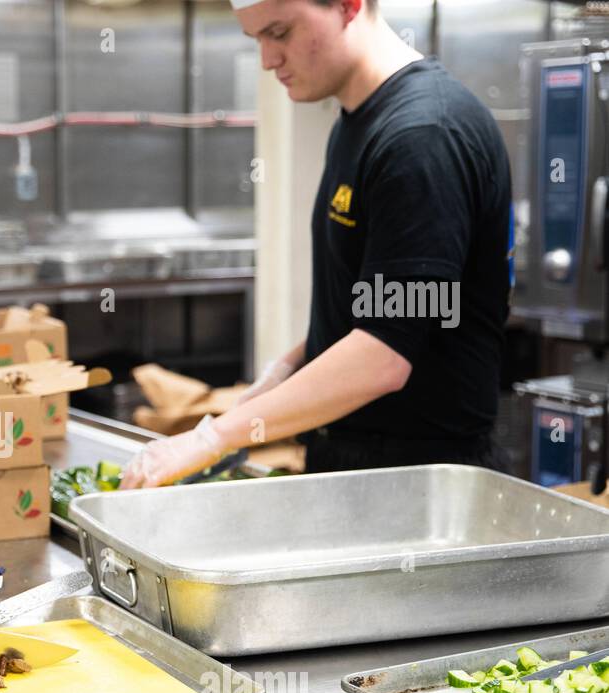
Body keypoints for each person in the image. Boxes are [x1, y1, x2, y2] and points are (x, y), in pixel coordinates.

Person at [122, 0, 511, 488]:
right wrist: (283, 372)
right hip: (363, 469)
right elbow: (374, 308)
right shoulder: (358, 121)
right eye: (257, 39)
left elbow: (385, 355)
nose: (268, 60)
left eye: (279, 32)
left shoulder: (421, 136)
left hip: (420, 484)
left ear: (348, 6)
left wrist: (212, 437)